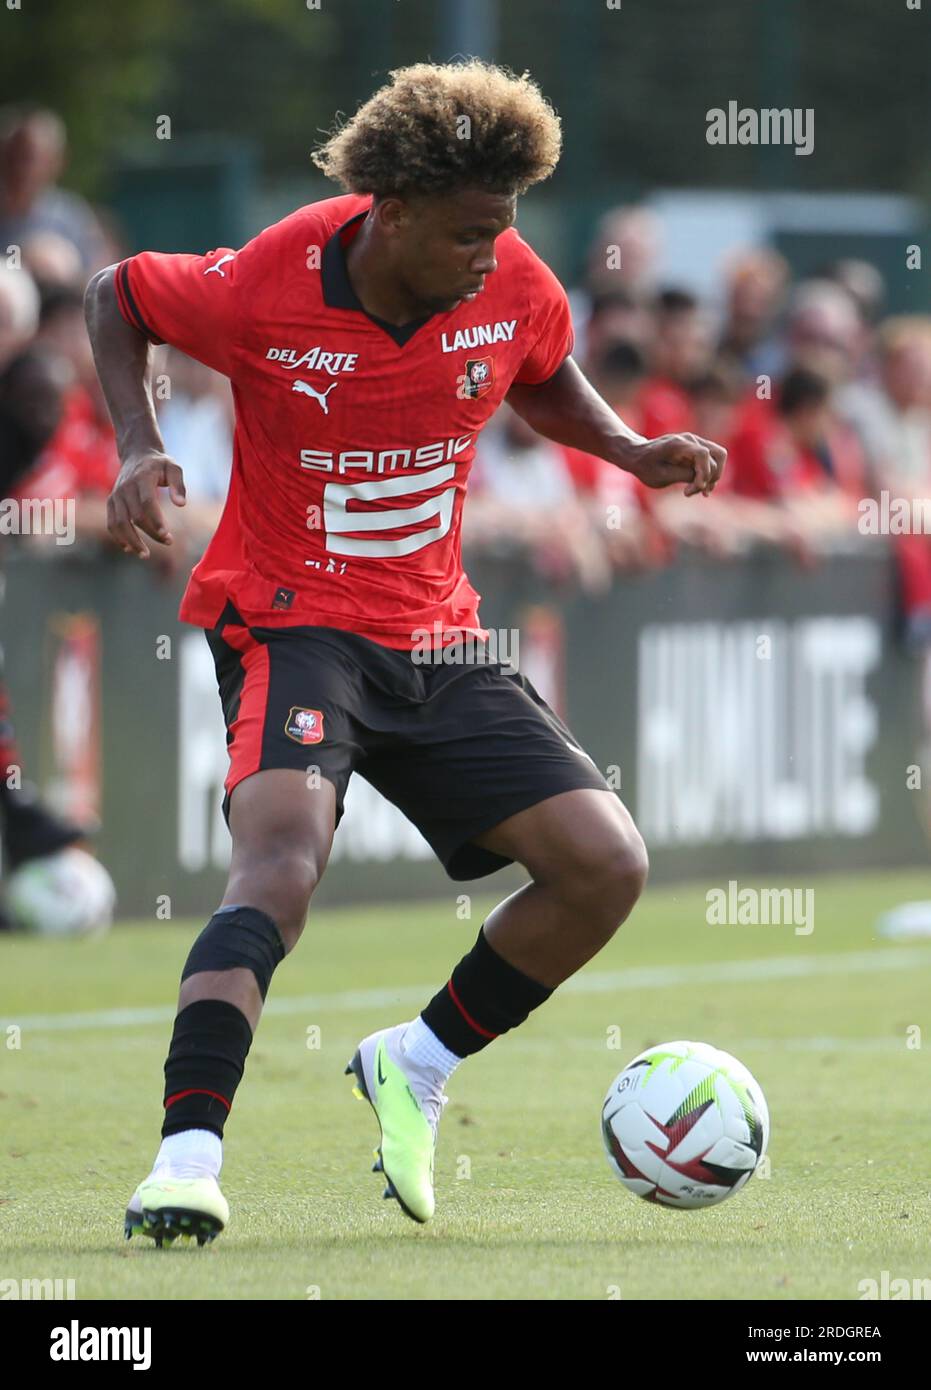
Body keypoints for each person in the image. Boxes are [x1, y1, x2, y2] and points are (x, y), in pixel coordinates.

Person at [85, 59, 726, 1244]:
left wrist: (629, 451)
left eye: (505, 227)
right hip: (290, 616)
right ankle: (185, 1158)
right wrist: (137, 440)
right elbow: (116, 294)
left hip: (434, 629)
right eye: (471, 230)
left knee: (604, 863)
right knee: (281, 866)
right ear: (391, 210)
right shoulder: (269, 282)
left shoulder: (509, 273)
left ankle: (416, 1061)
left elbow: (533, 368)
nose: (493, 253)